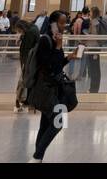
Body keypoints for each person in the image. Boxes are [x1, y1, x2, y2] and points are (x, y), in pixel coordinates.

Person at [29, 10, 84, 161]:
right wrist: (59, 47)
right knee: (58, 122)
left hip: (53, 87)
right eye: (61, 22)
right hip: (45, 88)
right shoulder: (45, 40)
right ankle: (36, 156)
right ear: (52, 23)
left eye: (65, 22)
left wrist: (69, 57)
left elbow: (57, 64)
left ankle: (37, 158)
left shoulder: (54, 40)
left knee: (45, 123)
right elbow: (48, 65)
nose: (64, 25)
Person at [13, 17, 41, 111]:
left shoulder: (30, 32)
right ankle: (28, 100)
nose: (20, 32)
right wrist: (22, 37)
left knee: (27, 80)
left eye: (20, 30)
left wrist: (24, 64)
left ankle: (28, 100)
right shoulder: (34, 28)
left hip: (29, 61)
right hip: (32, 59)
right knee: (29, 79)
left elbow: (27, 48)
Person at [87, 6, 107, 94]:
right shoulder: (97, 20)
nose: (89, 13)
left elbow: (93, 33)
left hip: (93, 47)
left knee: (94, 69)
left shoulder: (94, 21)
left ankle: (94, 89)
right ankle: (93, 88)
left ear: (93, 13)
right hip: (94, 46)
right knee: (94, 68)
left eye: (90, 11)